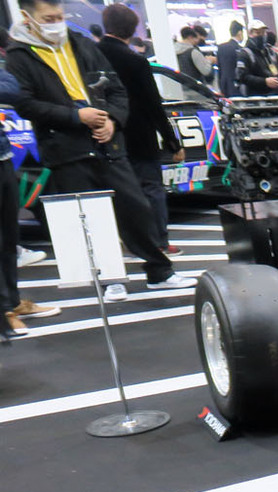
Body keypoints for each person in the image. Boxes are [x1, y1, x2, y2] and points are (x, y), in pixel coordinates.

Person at [6, 0, 191, 300]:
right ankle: (111, 279)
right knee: (92, 219)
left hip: (108, 143)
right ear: (28, 18)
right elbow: (25, 104)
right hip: (66, 150)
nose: (55, 23)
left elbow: (116, 89)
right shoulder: (19, 56)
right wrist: (75, 117)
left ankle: (160, 271)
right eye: (48, 18)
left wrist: (114, 121)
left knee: (136, 207)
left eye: (59, 16)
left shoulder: (80, 44)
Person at [98, 4, 183, 255]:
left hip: (102, 133)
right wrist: (172, 142)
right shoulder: (135, 61)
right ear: (133, 28)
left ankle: (129, 241)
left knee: (120, 193)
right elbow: (153, 104)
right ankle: (158, 242)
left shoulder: (91, 55)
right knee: (151, 190)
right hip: (139, 135)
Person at [0, 52, 59, 338]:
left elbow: (12, 90)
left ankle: (11, 303)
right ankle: (5, 312)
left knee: (9, 238)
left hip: (3, 157)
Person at [237, 19, 278, 96]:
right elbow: (243, 77)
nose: (261, 35)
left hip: (276, 95)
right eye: (258, 33)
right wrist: (264, 81)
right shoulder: (245, 54)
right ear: (250, 34)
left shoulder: (271, 53)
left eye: (264, 32)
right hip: (256, 97)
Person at [217, 21, 244, 98]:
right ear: (240, 33)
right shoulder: (240, 49)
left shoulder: (221, 47)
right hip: (237, 86)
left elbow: (220, 69)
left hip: (224, 85)